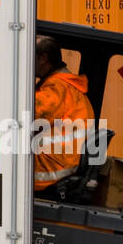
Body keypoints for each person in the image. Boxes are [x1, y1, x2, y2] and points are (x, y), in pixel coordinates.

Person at [33, 35, 95, 195]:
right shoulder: (63, 86)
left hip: (50, 166)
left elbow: (27, 112)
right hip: (60, 160)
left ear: (43, 59)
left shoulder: (58, 89)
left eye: (31, 55)